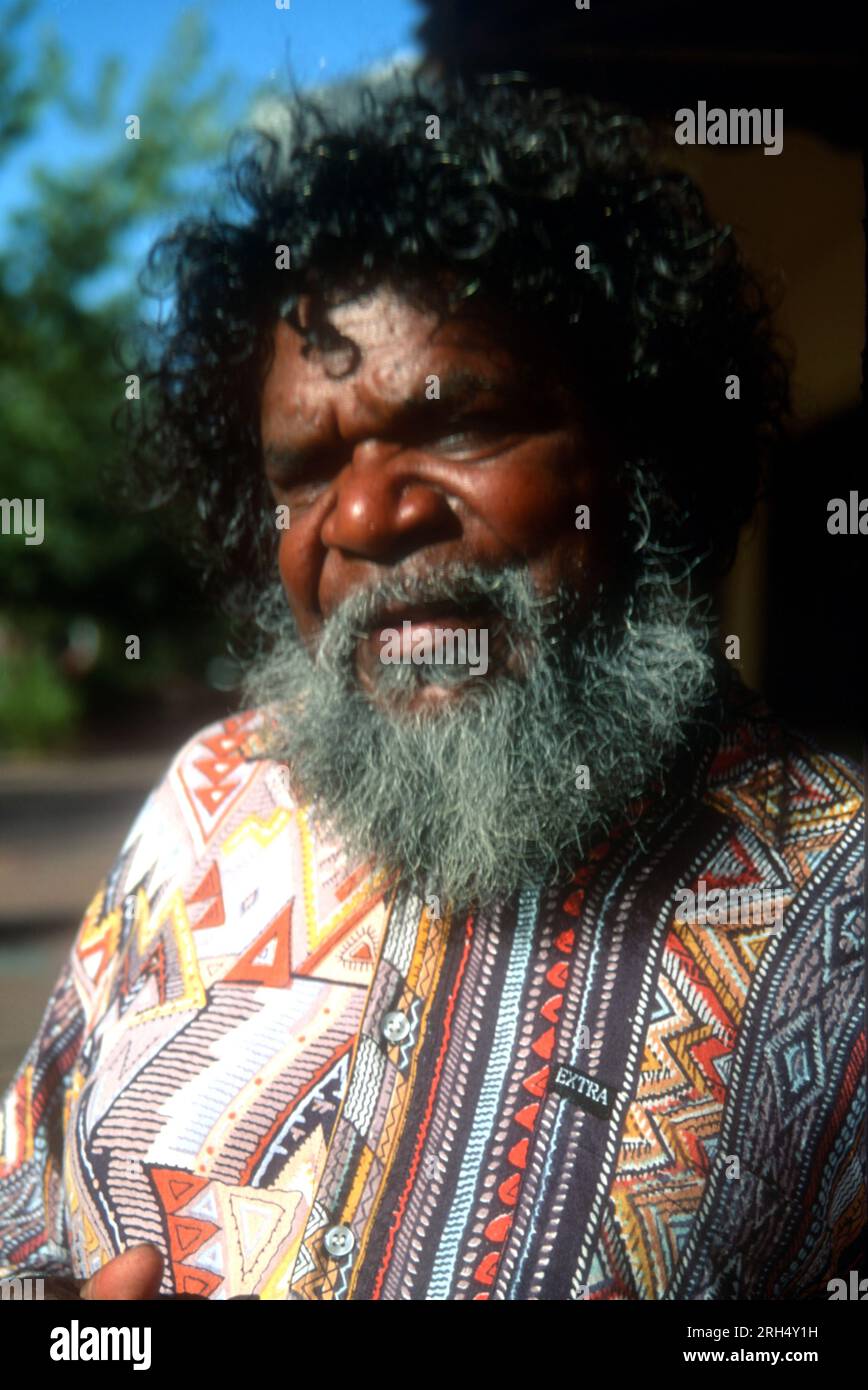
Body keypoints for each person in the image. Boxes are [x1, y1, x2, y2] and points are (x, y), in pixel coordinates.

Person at [1, 74, 863, 1301]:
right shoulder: (207, 798)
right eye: (304, 470)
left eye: (457, 425)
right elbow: (24, 1219)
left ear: (636, 447)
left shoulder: (837, 911)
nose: (364, 516)